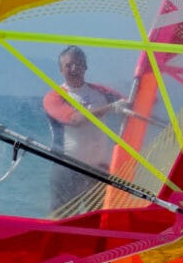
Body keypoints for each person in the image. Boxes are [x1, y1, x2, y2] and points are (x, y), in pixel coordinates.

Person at [42, 46, 127, 216]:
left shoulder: (101, 92)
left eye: (79, 64)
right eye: (69, 65)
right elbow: (76, 120)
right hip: (67, 170)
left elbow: (129, 102)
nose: (74, 69)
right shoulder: (54, 97)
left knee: (98, 222)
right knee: (62, 222)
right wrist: (111, 107)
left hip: (98, 171)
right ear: (61, 70)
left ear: (86, 66)